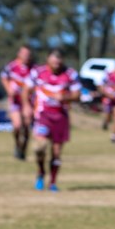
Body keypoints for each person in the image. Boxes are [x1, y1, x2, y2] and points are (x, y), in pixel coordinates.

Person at [23, 49, 81, 192]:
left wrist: (65, 98)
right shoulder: (38, 72)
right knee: (39, 147)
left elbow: (77, 95)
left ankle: (53, 182)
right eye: (53, 60)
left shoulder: (70, 74)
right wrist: (26, 106)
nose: (56, 63)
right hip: (43, 115)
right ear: (48, 59)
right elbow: (26, 90)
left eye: (59, 60)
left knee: (56, 153)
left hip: (61, 116)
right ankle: (41, 172)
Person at [1, 45, 34, 160]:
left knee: (26, 127)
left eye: (28, 54)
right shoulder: (11, 66)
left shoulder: (34, 69)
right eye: (24, 54)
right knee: (17, 126)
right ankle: (17, 145)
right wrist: (8, 89)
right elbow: (4, 77)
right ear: (19, 54)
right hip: (15, 101)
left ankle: (23, 150)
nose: (26, 56)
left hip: (29, 102)